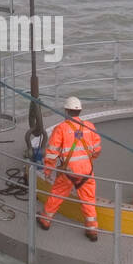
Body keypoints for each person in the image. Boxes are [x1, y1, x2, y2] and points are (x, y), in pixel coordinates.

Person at [37, 95, 102, 241]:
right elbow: (97, 150)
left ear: (66, 111)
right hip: (87, 172)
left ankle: (45, 220)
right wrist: (87, 162)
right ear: (80, 111)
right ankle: (92, 230)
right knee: (89, 200)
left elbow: (52, 154)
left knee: (57, 194)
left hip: (68, 172)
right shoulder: (90, 127)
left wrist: (48, 172)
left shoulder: (61, 129)